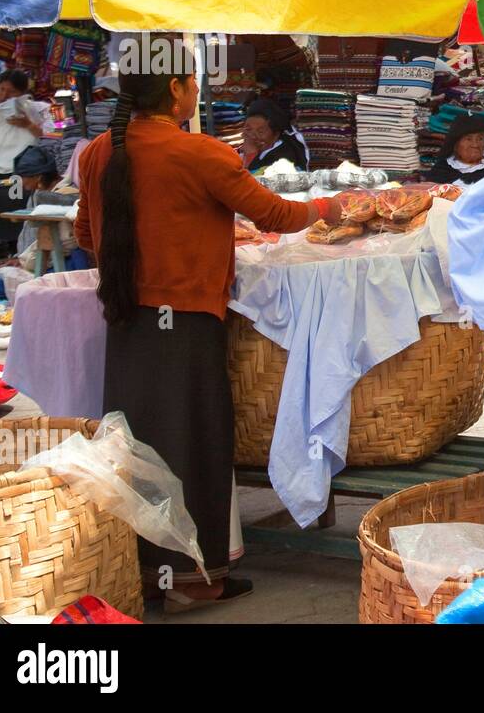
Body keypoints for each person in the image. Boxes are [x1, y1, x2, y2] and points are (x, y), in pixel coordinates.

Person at [75, 60, 344, 611]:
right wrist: (334, 206)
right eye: (194, 82)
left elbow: (84, 230)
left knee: (134, 446)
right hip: (185, 325)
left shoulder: (101, 150)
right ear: (175, 88)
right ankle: (194, 583)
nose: (197, 92)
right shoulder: (199, 152)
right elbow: (275, 213)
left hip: (127, 324)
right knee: (191, 447)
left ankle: (147, 575)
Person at [0, 146, 89, 297]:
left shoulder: (66, 195)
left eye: (22, 177)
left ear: (38, 177)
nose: (20, 183)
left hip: (65, 260)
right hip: (38, 258)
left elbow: (65, 242)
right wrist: (19, 258)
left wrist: (24, 260)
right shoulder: (38, 194)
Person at [0, 70, 52, 248]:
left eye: (11, 91)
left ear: (21, 93)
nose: (4, 95)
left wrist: (27, 124)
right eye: (1, 89)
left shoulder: (33, 109)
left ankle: (17, 253)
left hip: (16, 173)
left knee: (16, 218)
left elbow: (44, 137)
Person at [425, 113, 484, 186]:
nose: (475, 144)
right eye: (468, 139)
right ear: (456, 143)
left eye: (480, 138)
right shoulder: (441, 170)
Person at [241, 97, 309, 173]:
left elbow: (250, 179)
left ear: (276, 135)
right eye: (248, 129)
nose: (252, 136)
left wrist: (251, 154)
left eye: (260, 132)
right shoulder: (242, 150)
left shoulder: (283, 159)